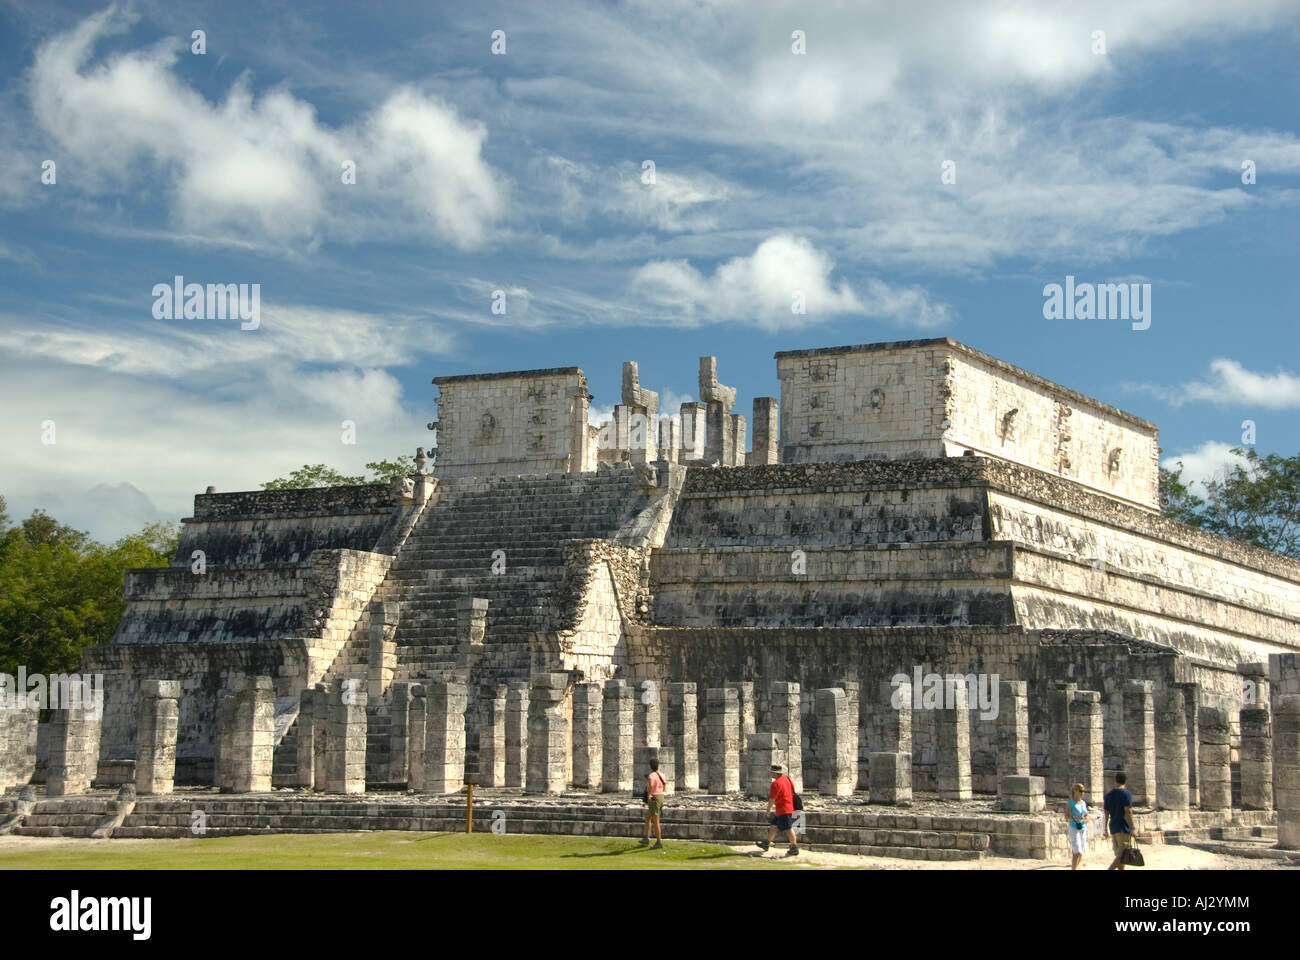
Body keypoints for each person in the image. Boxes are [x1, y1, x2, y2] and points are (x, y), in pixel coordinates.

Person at [756, 764, 799, 857]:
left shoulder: (775, 784)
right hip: (787, 807)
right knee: (774, 825)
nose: (771, 773)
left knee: (788, 828)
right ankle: (766, 843)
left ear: (775, 773)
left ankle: (794, 847)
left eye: (772, 772)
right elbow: (793, 791)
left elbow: (772, 799)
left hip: (784, 809)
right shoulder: (787, 779)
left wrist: (768, 810)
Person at [1103, 771, 1137, 870]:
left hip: (1113, 827)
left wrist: (1105, 829)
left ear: (1116, 781)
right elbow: (1128, 811)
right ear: (1125, 781)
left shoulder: (1109, 795)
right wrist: (1133, 828)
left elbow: (1106, 812)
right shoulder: (1126, 794)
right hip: (1123, 828)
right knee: (1122, 855)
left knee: (1120, 855)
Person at [639, 760, 667, 849]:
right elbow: (664, 785)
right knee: (648, 817)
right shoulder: (662, 775)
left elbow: (650, 786)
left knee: (655, 820)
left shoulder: (651, 775)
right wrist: (661, 792)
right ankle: (646, 838)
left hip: (654, 797)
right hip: (660, 796)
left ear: (650, 766)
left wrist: (649, 795)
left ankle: (659, 842)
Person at [1065, 783, 1088, 870]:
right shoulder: (1070, 803)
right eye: (1080, 791)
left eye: (1083, 791)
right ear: (1075, 791)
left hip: (1083, 827)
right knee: (1077, 851)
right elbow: (1066, 816)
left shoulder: (1083, 803)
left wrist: (1086, 818)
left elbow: (1086, 814)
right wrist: (1075, 817)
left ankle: (1077, 867)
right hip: (1074, 827)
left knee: (1081, 851)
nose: (1082, 793)